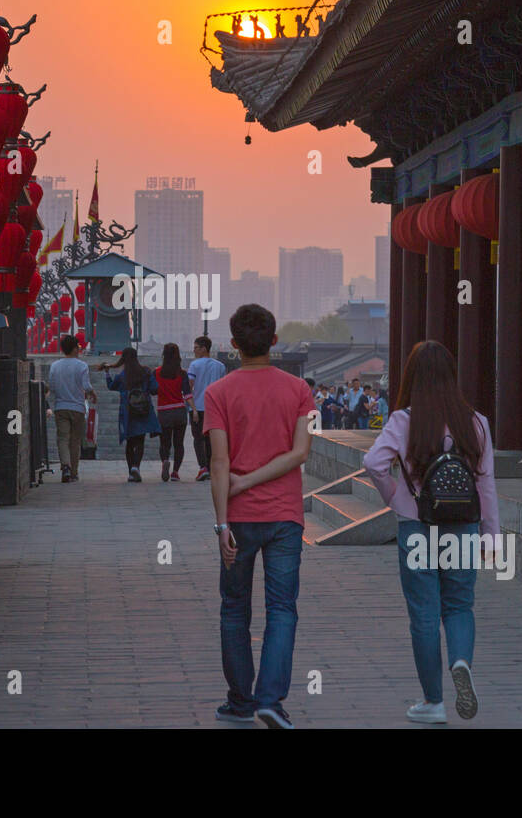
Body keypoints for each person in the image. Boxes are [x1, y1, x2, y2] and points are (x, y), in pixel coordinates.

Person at [361, 341, 501, 724]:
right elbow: (486, 485)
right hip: (464, 527)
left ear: (412, 378)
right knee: (459, 605)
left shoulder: (404, 420)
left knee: (423, 613)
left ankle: (433, 702)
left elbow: (373, 462)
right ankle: (461, 662)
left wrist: (396, 498)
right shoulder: (475, 422)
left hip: (418, 527)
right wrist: (492, 537)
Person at [206, 304, 315, 729]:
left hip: (237, 519)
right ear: (274, 341)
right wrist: (252, 483)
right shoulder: (298, 390)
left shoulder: (219, 393)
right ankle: (271, 699)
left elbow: (219, 463)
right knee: (282, 608)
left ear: (233, 345)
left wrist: (222, 522)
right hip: (285, 517)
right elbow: (300, 453)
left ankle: (240, 702)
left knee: (234, 608)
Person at [96, 347, 160, 482]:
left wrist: (107, 373)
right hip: (143, 410)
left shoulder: (122, 376)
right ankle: (136, 467)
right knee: (140, 441)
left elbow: (111, 386)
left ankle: (131, 471)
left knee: (130, 442)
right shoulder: (146, 372)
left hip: (128, 412)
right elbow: (155, 389)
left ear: (123, 358)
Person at [48, 334, 96, 483]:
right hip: (77, 408)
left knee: (62, 438)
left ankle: (65, 466)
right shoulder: (82, 366)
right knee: (75, 441)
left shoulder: (55, 366)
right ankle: (74, 472)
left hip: (61, 407)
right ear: (75, 349)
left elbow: (52, 387)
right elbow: (86, 386)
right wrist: (93, 394)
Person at [186, 336, 226, 481]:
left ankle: (202, 467)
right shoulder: (220, 366)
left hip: (198, 407)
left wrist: (191, 406)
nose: (194, 350)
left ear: (203, 349)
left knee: (198, 438)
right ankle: (209, 467)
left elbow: (189, 386)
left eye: (196, 347)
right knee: (210, 439)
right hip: (214, 408)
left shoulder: (194, 365)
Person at [155, 342, 192, 482]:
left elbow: (153, 389)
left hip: (164, 412)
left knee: (164, 442)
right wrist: (194, 410)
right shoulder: (182, 374)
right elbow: (187, 394)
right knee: (179, 443)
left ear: (164, 355)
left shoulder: (157, 372)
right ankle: (175, 472)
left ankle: (165, 460)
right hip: (179, 411)